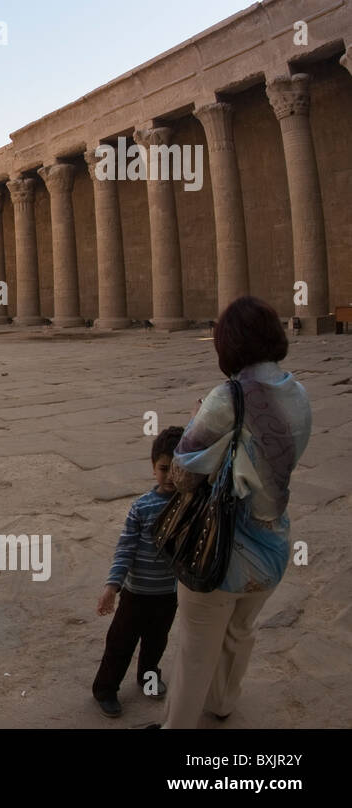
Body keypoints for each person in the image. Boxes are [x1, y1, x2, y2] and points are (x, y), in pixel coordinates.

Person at [161, 296, 311, 729]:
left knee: (193, 650)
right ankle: (223, 702)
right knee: (239, 632)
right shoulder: (299, 392)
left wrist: (197, 422)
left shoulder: (227, 397)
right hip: (274, 545)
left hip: (222, 550)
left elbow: (180, 474)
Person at [92, 426, 185, 718]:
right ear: (153, 468)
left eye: (178, 469)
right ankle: (105, 689)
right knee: (120, 643)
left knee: (157, 642)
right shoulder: (142, 508)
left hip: (169, 594)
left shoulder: (190, 505)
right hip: (135, 594)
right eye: (163, 468)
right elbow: (125, 550)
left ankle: (148, 678)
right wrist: (112, 586)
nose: (170, 476)